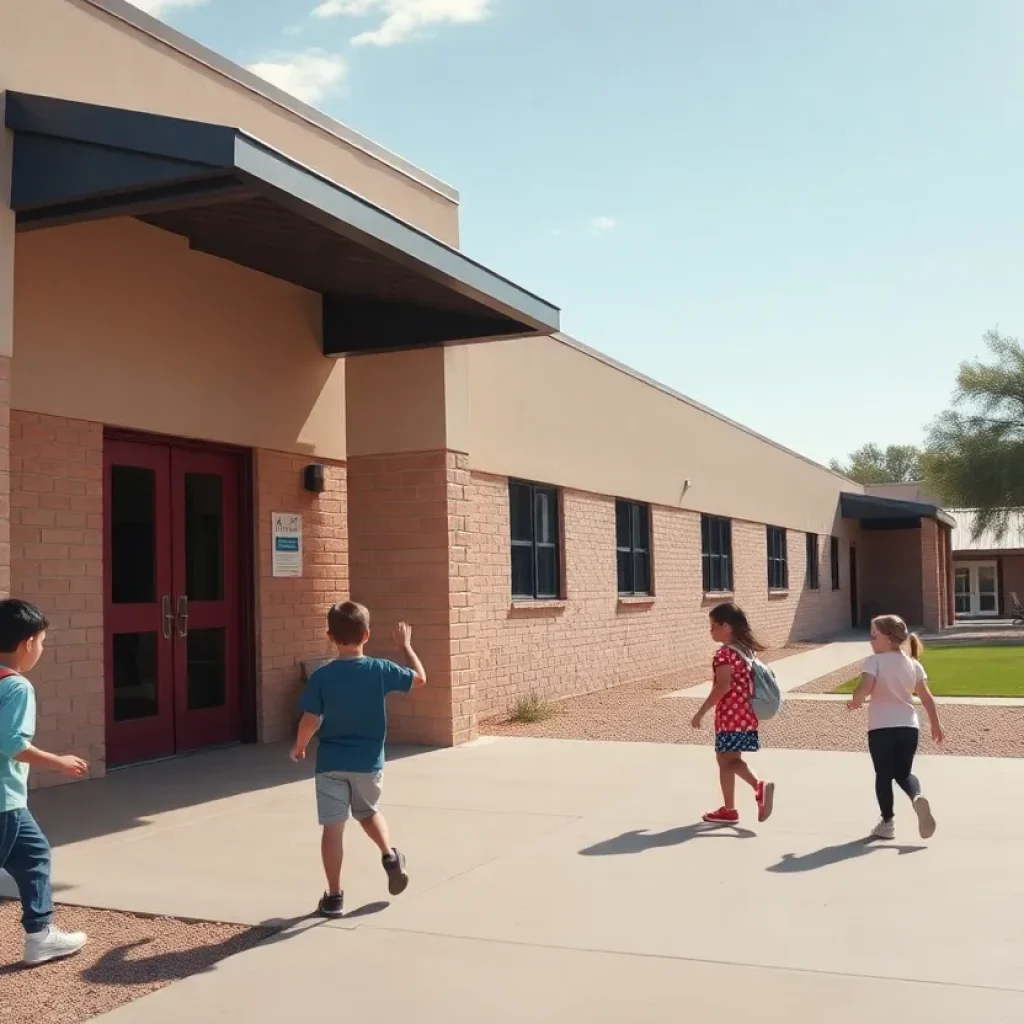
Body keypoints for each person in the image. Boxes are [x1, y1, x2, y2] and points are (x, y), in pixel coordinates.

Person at [290, 601, 426, 918]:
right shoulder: (380, 670)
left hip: (331, 765)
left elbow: (309, 718)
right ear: (367, 634)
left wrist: (300, 746)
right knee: (368, 812)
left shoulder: (322, 676)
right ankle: (389, 855)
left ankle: (334, 897)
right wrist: (406, 646)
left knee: (333, 829)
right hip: (368, 763)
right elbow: (420, 679)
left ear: (329, 636)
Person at [0, 598, 89, 965]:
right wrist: (59, 762)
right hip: (4, 801)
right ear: (27, 643)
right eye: (42, 641)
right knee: (34, 855)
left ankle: (41, 934)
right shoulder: (17, 688)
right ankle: (40, 935)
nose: (41, 649)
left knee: (33, 854)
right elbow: (11, 744)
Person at [848, 614, 943, 841]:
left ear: (888, 638)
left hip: (881, 727)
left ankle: (887, 823)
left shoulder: (875, 661)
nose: (870, 640)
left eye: (874, 635)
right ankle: (917, 796)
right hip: (909, 727)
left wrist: (855, 701)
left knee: (883, 776)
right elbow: (927, 698)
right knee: (903, 773)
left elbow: (865, 687)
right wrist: (936, 724)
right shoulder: (914, 664)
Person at [691, 602, 775, 825]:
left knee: (726, 761)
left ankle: (759, 787)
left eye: (713, 626)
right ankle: (729, 809)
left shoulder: (725, 654)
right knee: (730, 760)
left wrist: (701, 712)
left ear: (726, 626)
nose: (710, 631)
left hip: (730, 715)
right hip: (747, 713)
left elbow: (723, 686)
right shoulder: (745, 651)